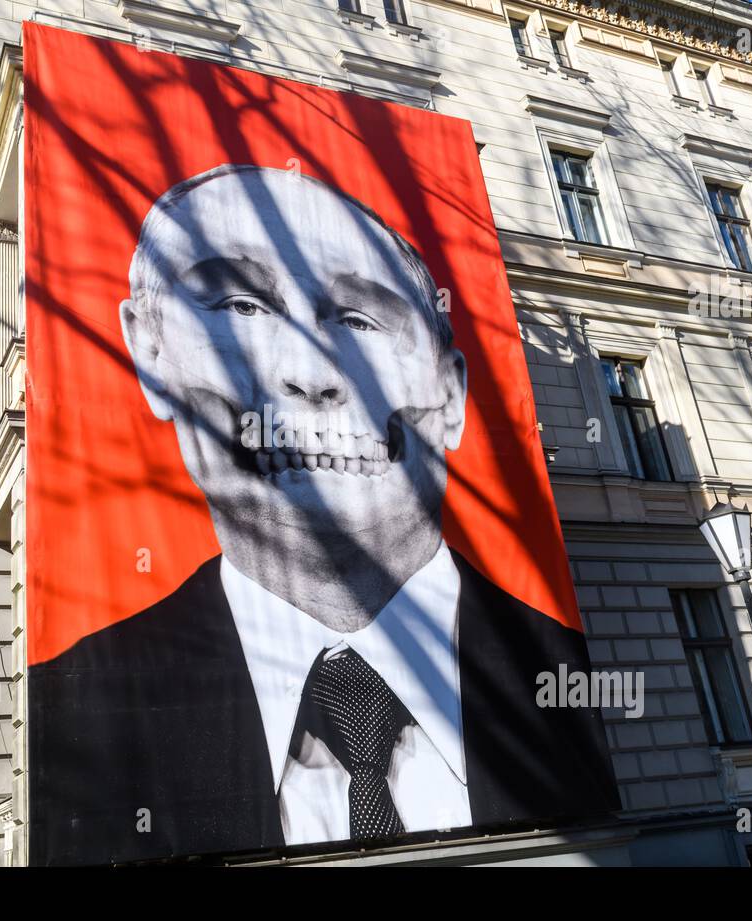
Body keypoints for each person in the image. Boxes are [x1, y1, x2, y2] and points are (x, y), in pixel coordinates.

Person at [30, 165, 618, 865]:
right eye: (242, 306)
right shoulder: (75, 719)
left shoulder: (563, 678)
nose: (309, 374)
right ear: (150, 353)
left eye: (360, 320)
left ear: (453, 393)